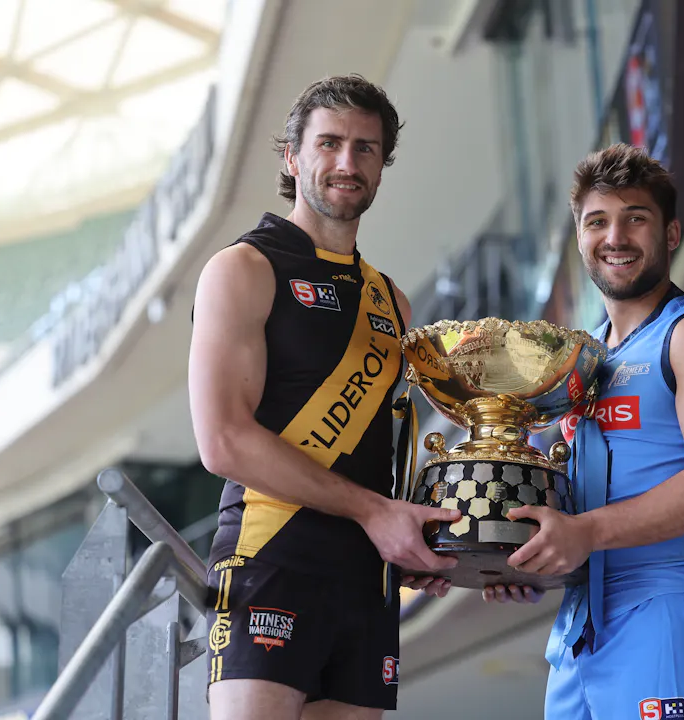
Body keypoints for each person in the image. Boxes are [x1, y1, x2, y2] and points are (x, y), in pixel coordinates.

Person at [188, 74, 461, 720]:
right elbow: (222, 441)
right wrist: (374, 512)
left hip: (366, 577)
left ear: (382, 166)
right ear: (292, 156)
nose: (347, 162)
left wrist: (414, 532)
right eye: (329, 143)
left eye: (366, 148)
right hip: (269, 558)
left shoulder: (392, 301)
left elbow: (382, 452)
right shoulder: (243, 268)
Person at [485, 143, 684, 720]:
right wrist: (522, 556)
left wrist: (584, 533)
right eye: (597, 222)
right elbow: (572, 505)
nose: (615, 237)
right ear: (580, 238)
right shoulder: (578, 361)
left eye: (635, 218)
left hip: (668, 610)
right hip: (579, 628)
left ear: (671, 234)